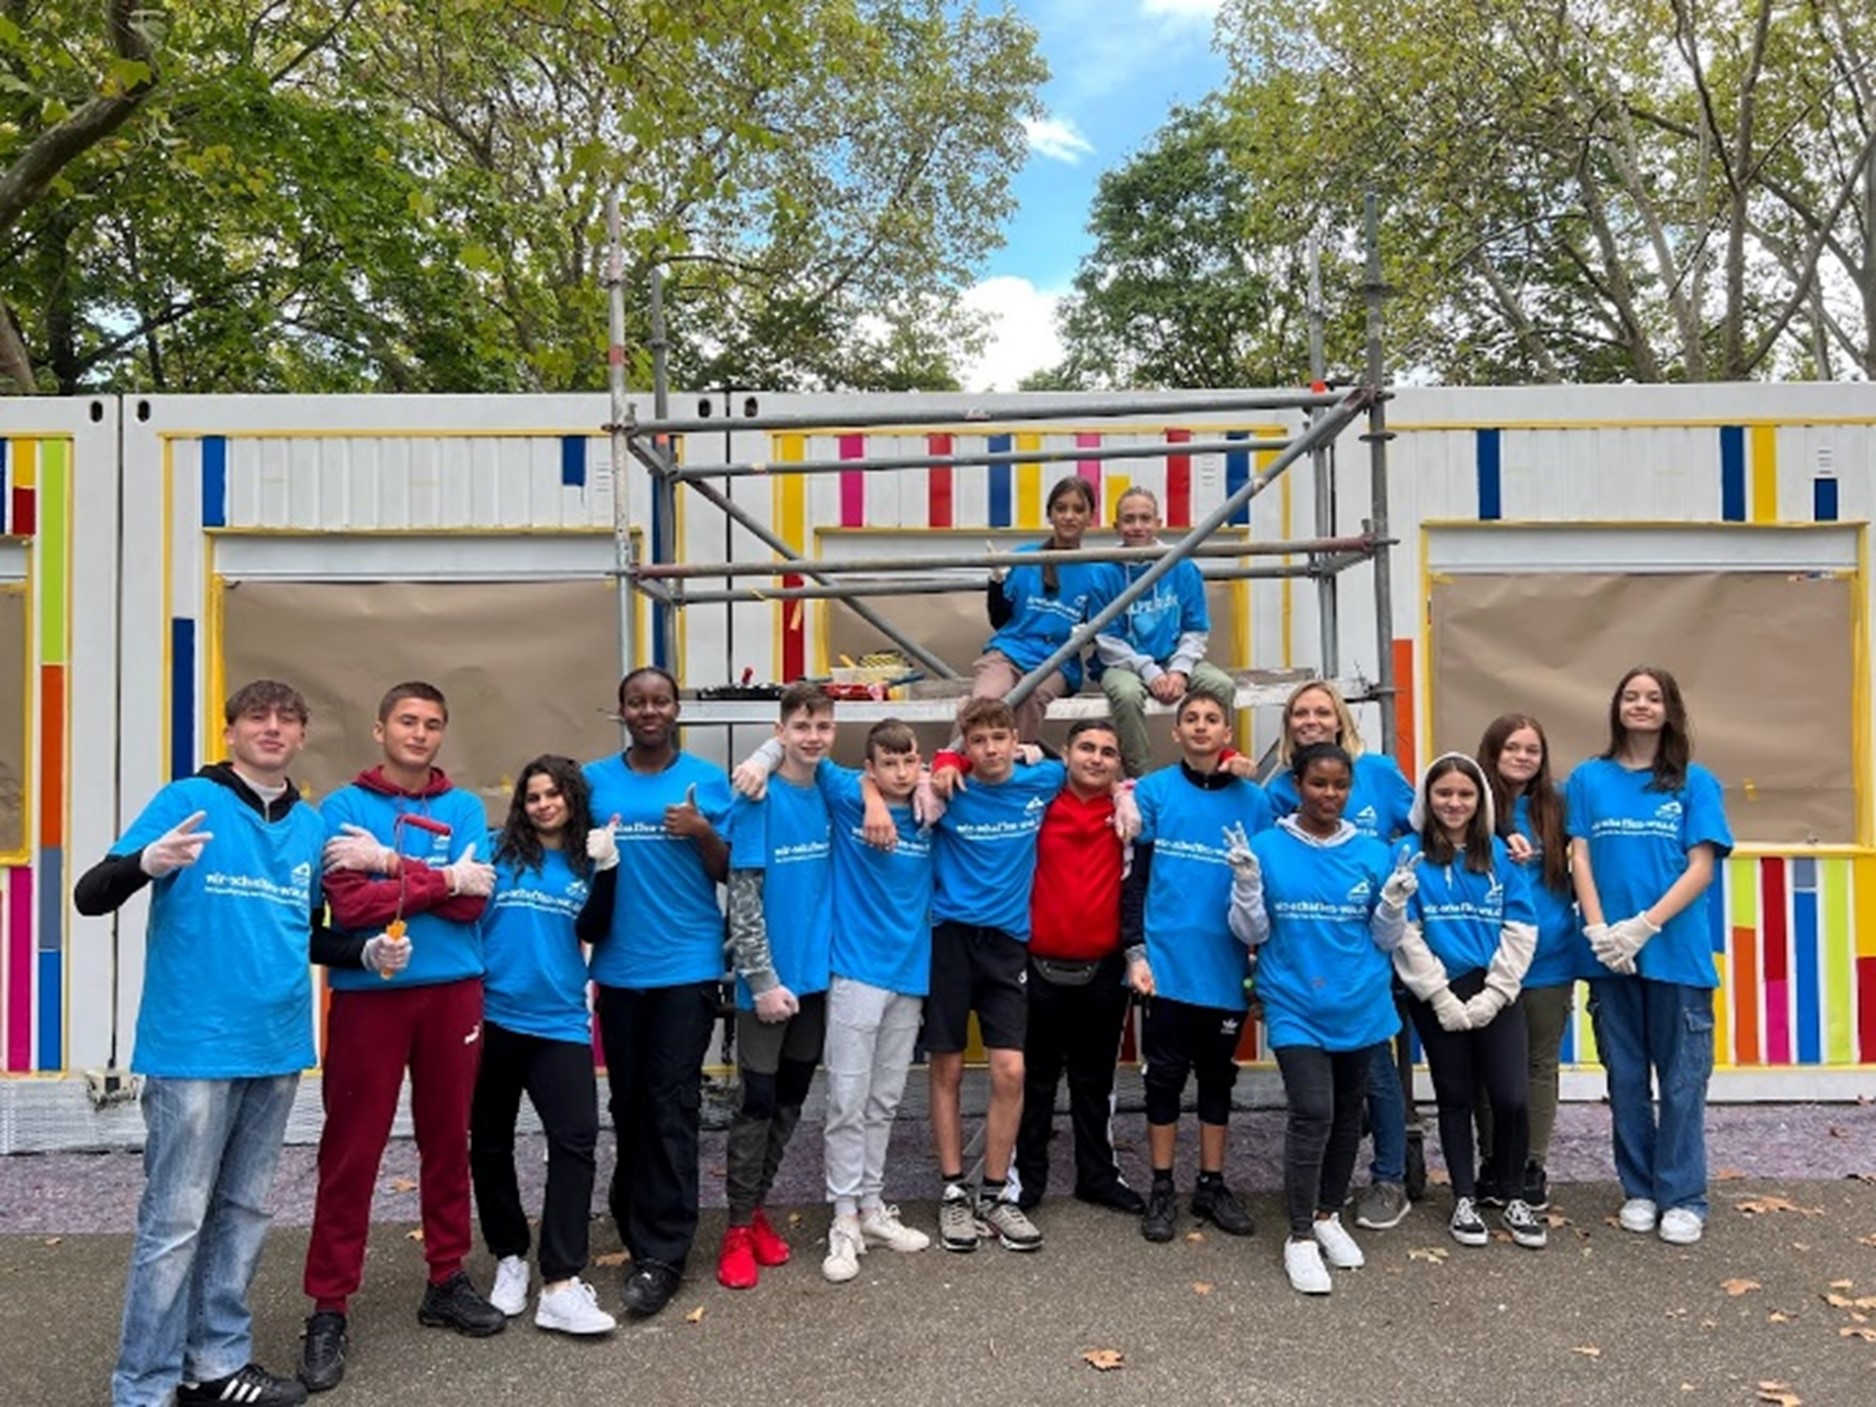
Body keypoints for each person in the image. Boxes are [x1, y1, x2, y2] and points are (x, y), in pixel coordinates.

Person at [77, 681, 326, 1407]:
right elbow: (91, 893)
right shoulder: (190, 798)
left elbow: (308, 931)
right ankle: (144, 1386)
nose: (272, 728)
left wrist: (370, 950)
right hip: (193, 1046)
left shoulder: (309, 825)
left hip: (277, 1045)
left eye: (287, 718)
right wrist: (144, 864)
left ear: (302, 735)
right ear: (230, 732)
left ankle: (213, 1366)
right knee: (176, 1220)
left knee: (244, 1212)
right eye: (258, 717)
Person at [301, 682, 500, 1393]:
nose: (420, 732)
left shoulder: (466, 807)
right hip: (369, 997)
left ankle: (445, 1277)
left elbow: (477, 899)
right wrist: (440, 876)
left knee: (449, 1140)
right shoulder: (343, 809)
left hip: (453, 994)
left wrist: (389, 868)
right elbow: (347, 907)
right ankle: (329, 1304)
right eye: (408, 721)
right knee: (351, 1150)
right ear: (381, 727)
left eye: (433, 723)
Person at [1227, 741, 1408, 1295]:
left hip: (1362, 1002)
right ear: (1297, 786)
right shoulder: (1266, 847)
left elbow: (1384, 939)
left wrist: (1394, 903)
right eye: (1318, 784)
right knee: (1313, 1111)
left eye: (1339, 786)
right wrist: (1248, 885)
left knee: (1350, 1115)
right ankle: (1300, 1236)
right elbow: (1252, 933)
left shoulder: (1374, 853)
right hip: (1295, 1002)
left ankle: (1329, 1215)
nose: (1330, 795)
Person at [584, 666, 735, 1315]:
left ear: (676, 709)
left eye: (660, 700)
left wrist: (702, 830)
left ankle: (664, 1251)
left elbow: (733, 868)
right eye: (637, 701)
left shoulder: (704, 778)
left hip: (686, 964)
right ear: (621, 710)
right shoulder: (593, 781)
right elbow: (568, 859)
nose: (649, 709)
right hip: (618, 967)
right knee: (629, 1100)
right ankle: (634, 1218)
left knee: (671, 1102)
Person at [1567, 666, 1732, 1246]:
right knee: (1627, 1077)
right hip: (1611, 959)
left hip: (1676, 956)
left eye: (1653, 697)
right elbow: (1580, 857)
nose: (1641, 705)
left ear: (1670, 709)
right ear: (1616, 707)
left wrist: (1643, 926)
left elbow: (1702, 866)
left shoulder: (1694, 782)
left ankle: (1684, 1196)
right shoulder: (1589, 778)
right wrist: (1599, 931)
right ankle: (1639, 1188)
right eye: (1631, 696)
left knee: (1683, 1081)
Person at [471, 756, 619, 1335]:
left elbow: (595, 931)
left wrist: (609, 868)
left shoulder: (588, 861)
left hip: (559, 1022)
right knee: (489, 1143)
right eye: (533, 796)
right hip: (492, 1017)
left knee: (576, 1141)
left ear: (571, 799)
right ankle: (510, 1258)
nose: (543, 805)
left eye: (554, 794)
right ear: (521, 805)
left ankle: (560, 1280)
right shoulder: (496, 852)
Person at [1121, 685, 1272, 1243]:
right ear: (1176, 732)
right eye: (1192, 718)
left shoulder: (1254, 801)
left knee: (1216, 1080)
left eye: (1213, 718)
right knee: (1163, 1081)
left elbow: (1266, 889)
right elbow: (1135, 880)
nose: (1203, 726)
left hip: (1225, 967)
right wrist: (1135, 950)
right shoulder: (1156, 792)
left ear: (1227, 734)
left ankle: (1211, 1182)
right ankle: (1162, 1186)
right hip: (1166, 966)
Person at [925, 695, 1066, 1252]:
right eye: (976, 741)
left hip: (1007, 945)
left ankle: (996, 1193)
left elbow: (1098, 772)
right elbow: (904, 775)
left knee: (1010, 1070)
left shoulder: (1040, 778)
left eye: (999, 739)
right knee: (949, 1066)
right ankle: (953, 1191)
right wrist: (944, 764)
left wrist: (1041, 751)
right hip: (950, 938)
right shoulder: (947, 789)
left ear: (1014, 739)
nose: (989, 750)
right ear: (966, 743)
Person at [1389, 753, 1546, 1251]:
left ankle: (1512, 1193)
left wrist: (1495, 994)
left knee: (1511, 1096)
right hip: (1438, 991)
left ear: (1480, 801)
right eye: (1443, 793)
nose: (1454, 803)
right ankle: (1462, 1198)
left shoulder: (1501, 854)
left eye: (1465, 794)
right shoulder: (1407, 853)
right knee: (1454, 1096)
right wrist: (1439, 996)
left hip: (1495, 988)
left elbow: (1521, 926)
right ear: (1427, 799)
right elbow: (1405, 933)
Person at [717, 683, 838, 1289]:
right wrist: (761, 979)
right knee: (756, 1105)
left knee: (789, 1104)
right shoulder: (756, 799)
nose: (813, 736)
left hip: (816, 982)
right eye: (802, 726)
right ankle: (735, 1228)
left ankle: (757, 1207)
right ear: (781, 728)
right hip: (767, 985)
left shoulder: (830, 790)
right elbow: (743, 897)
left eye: (823, 726)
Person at [814, 720, 938, 1281]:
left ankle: (870, 1207)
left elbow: (998, 766)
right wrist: (867, 796)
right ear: (870, 768)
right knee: (846, 1099)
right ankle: (841, 1218)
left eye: (909, 761)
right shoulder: (848, 796)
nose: (900, 772)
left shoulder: (932, 802)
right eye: (888, 764)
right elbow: (802, 753)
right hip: (857, 971)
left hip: (910, 973)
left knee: (884, 1100)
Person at [1013, 719, 1143, 1215]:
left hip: (1104, 970)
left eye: (1107, 751)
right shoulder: (1038, 801)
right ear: (1065, 754)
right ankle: (1027, 1180)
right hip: (1037, 965)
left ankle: (1097, 1176)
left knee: (1095, 1084)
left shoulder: (1130, 812)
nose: (1096, 758)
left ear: (1118, 764)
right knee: (1036, 1080)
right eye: (1086, 748)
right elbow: (970, 763)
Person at [1476, 713, 1593, 1211]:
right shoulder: (1470, 799)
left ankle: (1530, 1165)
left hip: (1549, 957)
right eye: (1512, 748)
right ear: (1493, 752)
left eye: (1532, 750)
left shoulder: (1559, 804)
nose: (1523, 757)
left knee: (1539, 1063)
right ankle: (1492, 1162)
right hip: (1489, 956)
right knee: (1488, 1066)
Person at [1093, 487, 1237, 777]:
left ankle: (1212, 764)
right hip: (1122, 663)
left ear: (1158, 523)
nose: (1137, 526)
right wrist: (1150, 672)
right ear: (1116, 526)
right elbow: (1105, 638)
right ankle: (1139, 777)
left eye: (1145, 518)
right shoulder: (1103, 572)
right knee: (1126, 693)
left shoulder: (1182, 567)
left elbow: (1196, 628)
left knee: (1221, 685)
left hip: (1174, 657)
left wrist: (1179, 670)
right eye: (1129, 519)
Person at [973, 475, 1111, 742]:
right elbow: (1000, 620)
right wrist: (996, 584)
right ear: (1050, 514)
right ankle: (953, 767)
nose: (1069, 516)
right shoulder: (1026, 556)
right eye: (1061, 509)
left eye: (1078, 509)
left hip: (1057, 663)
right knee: (984, 702)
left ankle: (1013, 771)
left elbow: (1103, 632)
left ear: (1090, 517)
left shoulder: (1096, 572)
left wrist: (1087, 634)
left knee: (1030, 696)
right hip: (1009, 652)